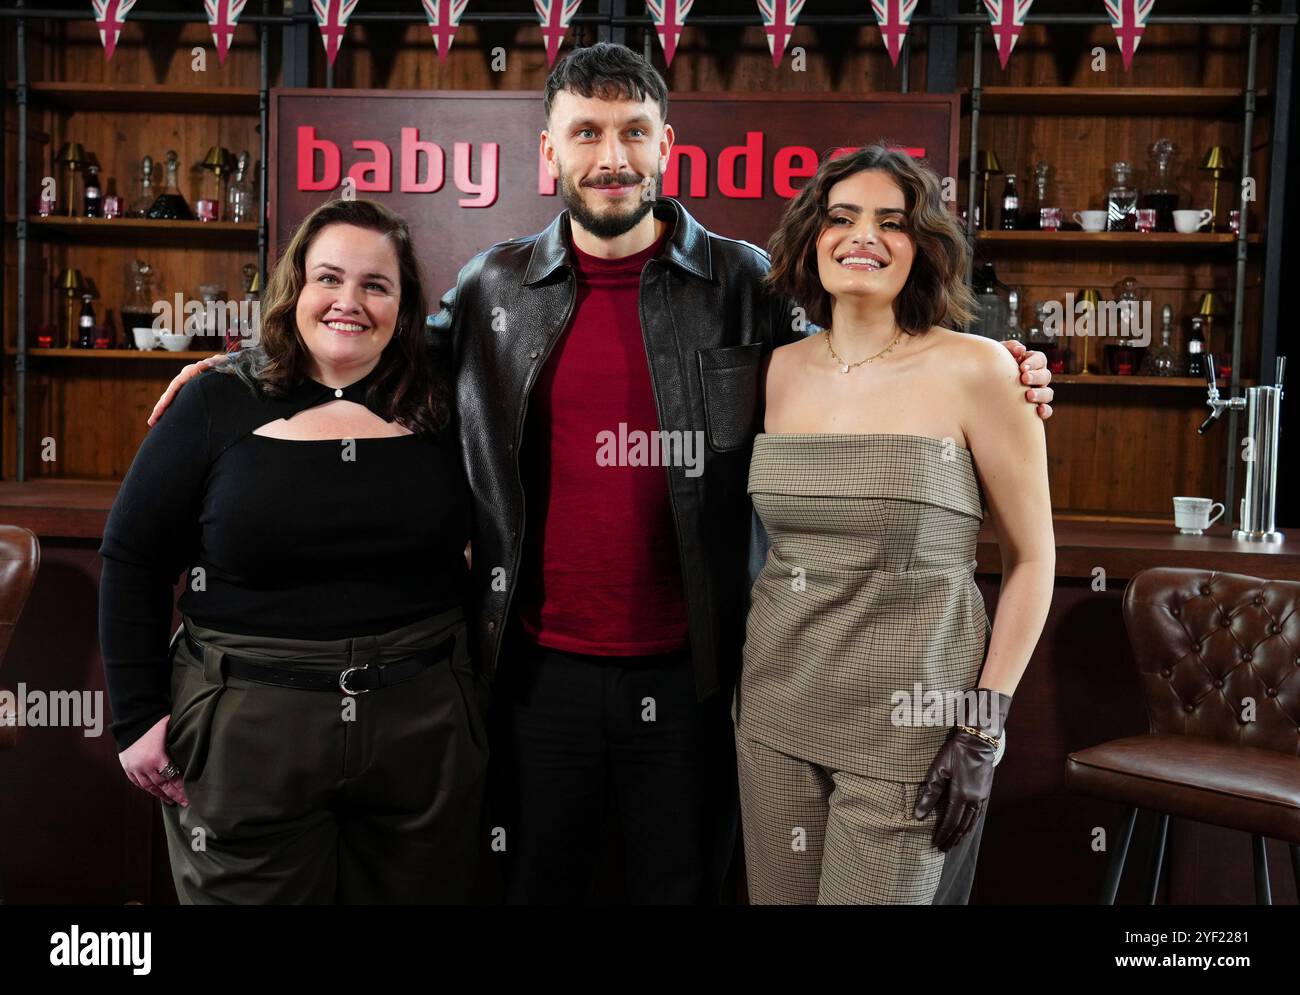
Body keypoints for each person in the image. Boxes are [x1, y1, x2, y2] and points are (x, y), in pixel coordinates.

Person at [148, 43, 1055, 904]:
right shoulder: (492, 288)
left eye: (632, 132)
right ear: (550, 151)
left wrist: (1007, 364)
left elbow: (868, 344)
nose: (611, 156)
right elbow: (364, 345)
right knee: (533, 887)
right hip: (532, 668)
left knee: (682, 889)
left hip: (704, 671)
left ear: (667, 145)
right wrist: (235, 372)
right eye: (586, 133)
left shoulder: (745, 284)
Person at [100, 198, 486, 904]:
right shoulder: (216, 400)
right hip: (246, 726)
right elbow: (132, 556)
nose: (349, 301)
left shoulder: (446, 401)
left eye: (376, 285)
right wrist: (135, 716)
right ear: (295, 290)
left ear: (405, 308)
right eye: (328, 279)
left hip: (424, 726)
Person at [735, 145, 1056, 904]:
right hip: (774, 712)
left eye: (892, 222)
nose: (863, 236)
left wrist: (983, 729)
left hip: (915, 729)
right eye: (841, 218)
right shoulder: (775, 371)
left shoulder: (985, 369)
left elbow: (1034, 561)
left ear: (924, 247)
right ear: (813, 240)